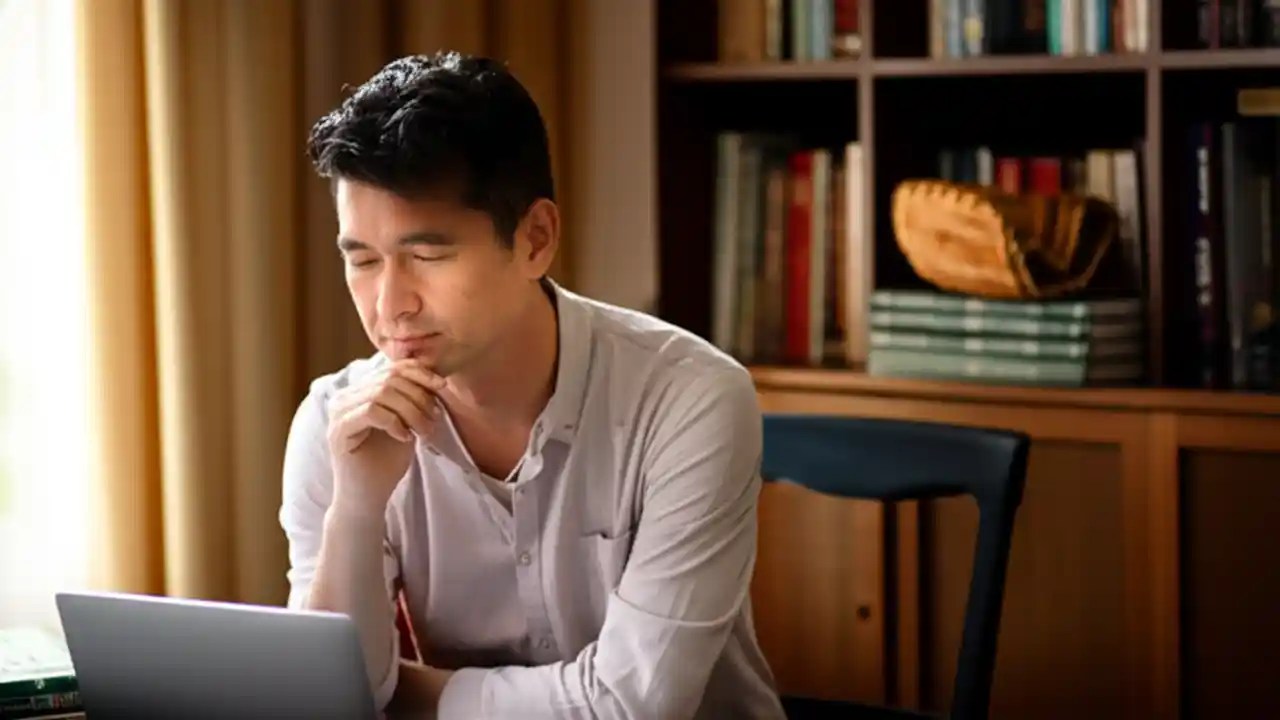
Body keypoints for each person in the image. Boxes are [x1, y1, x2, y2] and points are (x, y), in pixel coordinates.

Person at [279, 51, 786, 719]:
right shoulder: (337, 425)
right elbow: (325, 702)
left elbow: (634, 707)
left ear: (536, 238)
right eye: (364, 261)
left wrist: (408, 697)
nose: (390, 303)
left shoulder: (690, 401)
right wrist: (358, 505)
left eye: (427, 255)